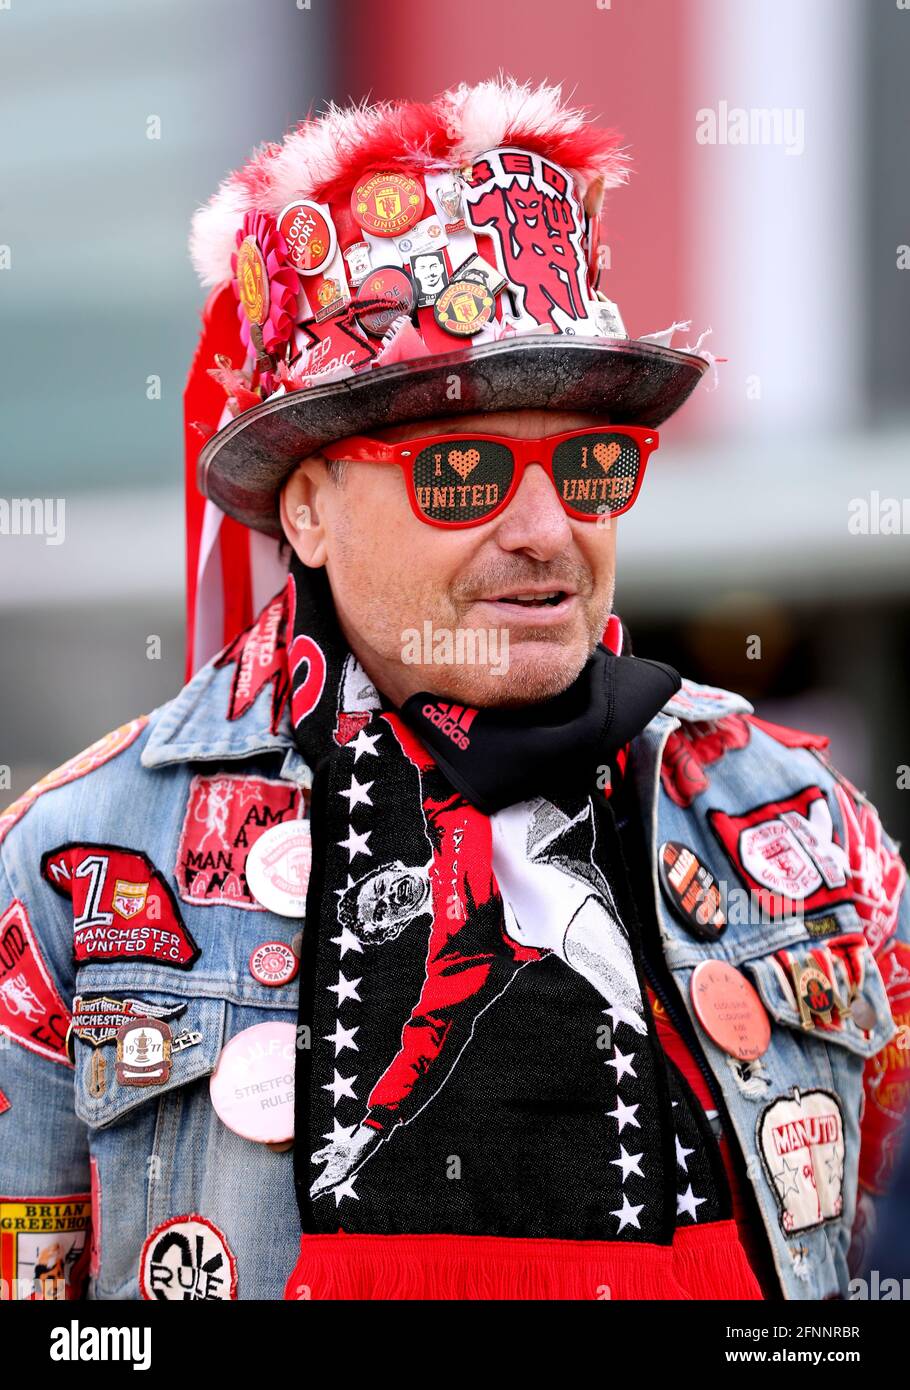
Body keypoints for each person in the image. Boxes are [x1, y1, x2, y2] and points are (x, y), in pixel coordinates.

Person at [0, 77, 907, 1303]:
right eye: (463, 470)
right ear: (307, 508)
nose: (546, 529)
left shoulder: (812, 836)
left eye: (589, 465)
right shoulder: (75, 861)